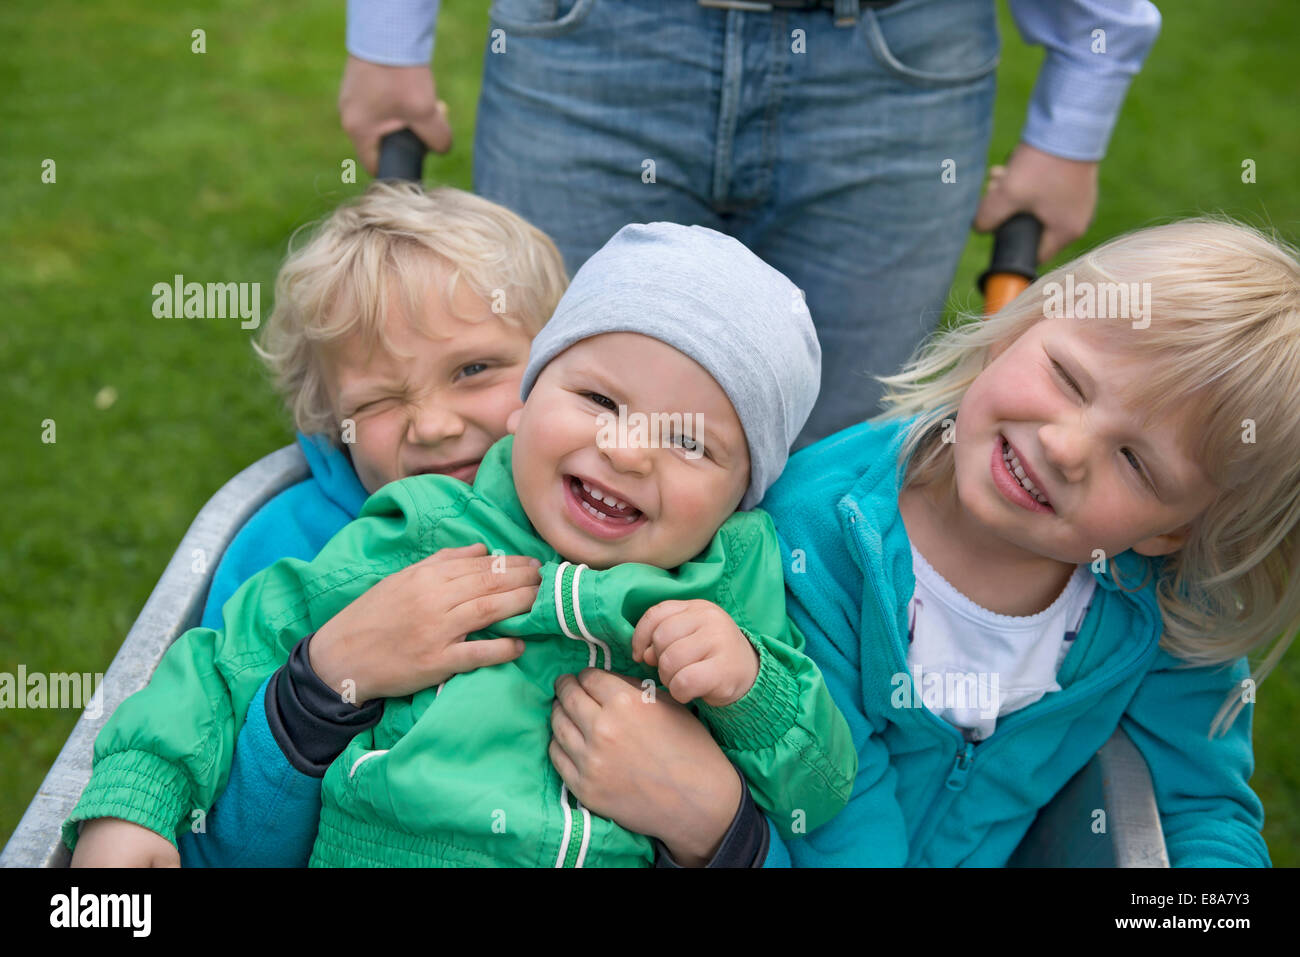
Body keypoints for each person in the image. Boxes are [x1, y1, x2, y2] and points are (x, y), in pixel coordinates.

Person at [64, 223, 857, 867]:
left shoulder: (733, 583)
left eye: (687, 440)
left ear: (742, 492)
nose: (625, 449)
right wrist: (135, 801)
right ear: (531, 398)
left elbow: (817, 791)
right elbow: (224, 660)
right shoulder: (428, 524)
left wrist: (753, 690)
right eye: (597, 399)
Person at [547, 217, 1300, 867]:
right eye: (1069, 379)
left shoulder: (1156, 605)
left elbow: (1198, 808)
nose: (1068, 447)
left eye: (1136, 462)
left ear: (1173, 529)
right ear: (1016, 330)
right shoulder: (818, 539)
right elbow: (821, 819)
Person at [339, 0, 1161, 449]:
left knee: (835, 481)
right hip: (588, 44)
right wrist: (386, 33)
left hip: (897, 67)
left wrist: (1080, 99)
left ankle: (770, 740)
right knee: (537, 433)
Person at [66, 179, 568, 866]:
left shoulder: (617, 511)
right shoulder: (290, 551)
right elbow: (220, 846)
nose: (436, 424)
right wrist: (326, 682)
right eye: (384, 399)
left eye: (474, 369)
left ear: (558, 355)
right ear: (332, 422)